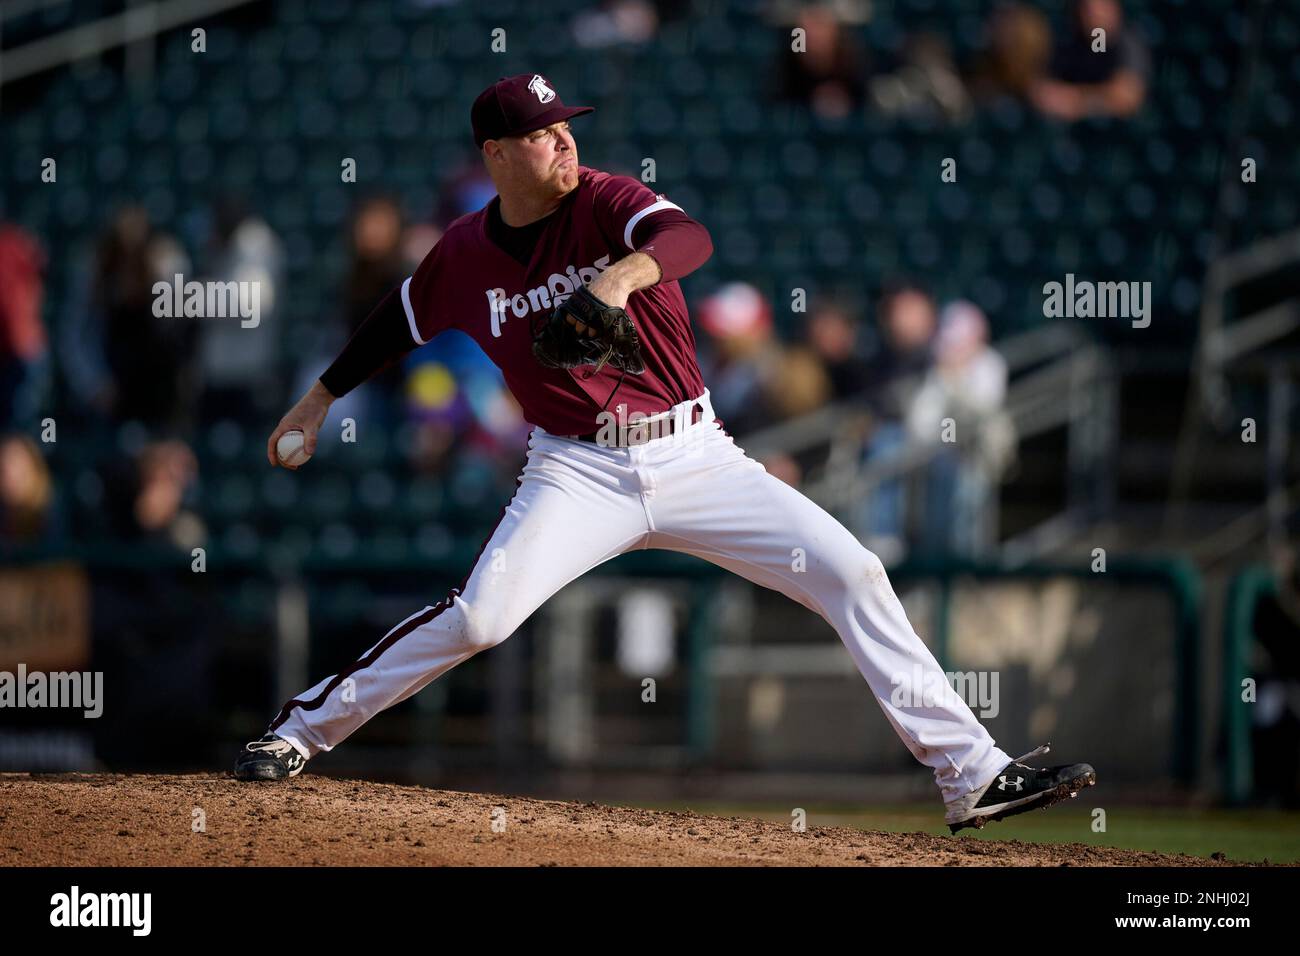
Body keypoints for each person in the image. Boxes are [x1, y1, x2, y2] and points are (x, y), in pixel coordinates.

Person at [232, 73, 1094, 832]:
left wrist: (618, 276)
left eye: (566, 122)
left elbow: (689, 240)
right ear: (496, 153)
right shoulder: (464, 253)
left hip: (695, 454)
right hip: (574, 469)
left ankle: (973, 775)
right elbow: (399, 319)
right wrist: (316, 400)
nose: (564, 137)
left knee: (854, 571)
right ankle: (298, 731)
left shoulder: (606, 200)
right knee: (481, 620)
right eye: (540, 131)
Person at [1031, 0, 1148, 121]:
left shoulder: (1128, 43)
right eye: (1088, 8)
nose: (1095, 13)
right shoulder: (1069, 40)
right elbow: (1040, 87)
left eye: (1102, 7)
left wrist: (1077, 100)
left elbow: (1127, 96)